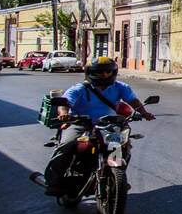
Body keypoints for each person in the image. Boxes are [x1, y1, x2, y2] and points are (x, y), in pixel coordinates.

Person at [43, 56, 155, 195]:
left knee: (122, 145)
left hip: (108, 124)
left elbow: (133, 101)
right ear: (90, 72)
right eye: (100, 72)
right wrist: (64, 114)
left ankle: (116, 177)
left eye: (108, 72)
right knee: (67, 144)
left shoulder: (121, 87)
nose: (104, 75)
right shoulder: (79, 89)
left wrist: (144, 113)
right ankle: (54, 181)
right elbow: (65, 102)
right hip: (80, 123)